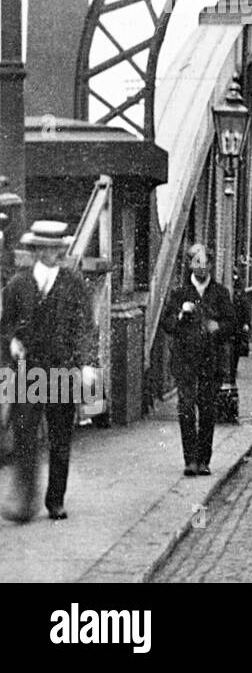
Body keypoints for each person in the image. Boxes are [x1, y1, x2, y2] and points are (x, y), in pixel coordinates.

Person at [0, 221, 96, 523]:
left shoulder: (74, 284)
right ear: (36, 250)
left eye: (58, 249)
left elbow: (86, 327)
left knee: (60, 438)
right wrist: (12, 341)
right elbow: (5, 326)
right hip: (27, 371)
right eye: (48, 248)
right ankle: (26, 501)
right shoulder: (18, 284)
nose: (54, 253)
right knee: (25, 437)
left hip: (62, 370)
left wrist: (85, 364)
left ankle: (55, 500)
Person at [160, 243, 238, 477]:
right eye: (196, 262)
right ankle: (190, 460)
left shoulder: (220, 293)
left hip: (211, 361)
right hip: (185, 361)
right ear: (190, 265)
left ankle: (204, 459)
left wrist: (219, 327)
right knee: (185, 408)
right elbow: (168, 324)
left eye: (205, 263)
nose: (201, 267)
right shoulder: (180, 294)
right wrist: (182, 314)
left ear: (211, 266)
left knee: (207, 409)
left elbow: (232, 324)